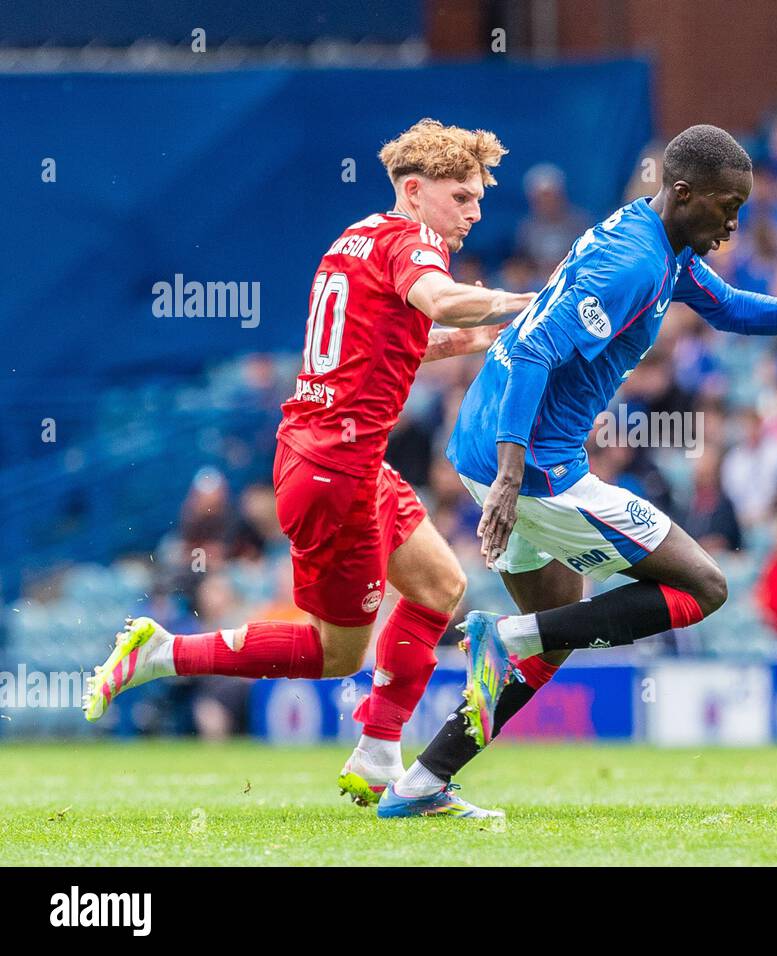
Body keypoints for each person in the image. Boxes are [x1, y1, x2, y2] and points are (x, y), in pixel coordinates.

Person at [379, 124, 777, 818]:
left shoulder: (656, 239)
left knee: (555, 628)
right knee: (702, 585)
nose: (733, 222)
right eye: (727, 206)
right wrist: (512, 480)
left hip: (487, 441)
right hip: (534, 466)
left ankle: (423, 781)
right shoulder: (633, 263)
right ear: (685, 192)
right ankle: (505, 637)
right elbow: (537, 350)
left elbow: (731, 308)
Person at [82, 119, 534, 820]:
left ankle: (382, 756)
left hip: (333, 455)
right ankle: (164, 654)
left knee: (441, 584)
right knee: (336, 655)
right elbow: (439, 298)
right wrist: (525, 301)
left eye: (478, 198)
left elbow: (390, 347)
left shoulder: (356, 237)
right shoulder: (413, 245)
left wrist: (483, 335)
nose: (474, 213)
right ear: (414, 193)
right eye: (461, 197)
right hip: (337, 475)